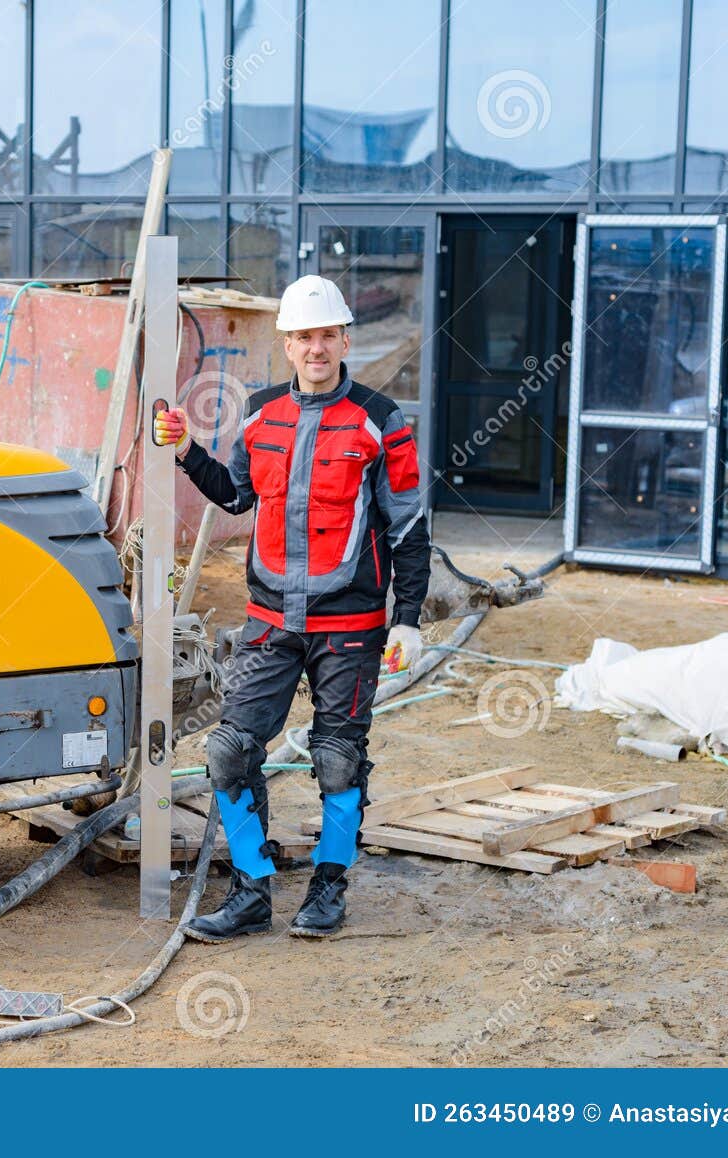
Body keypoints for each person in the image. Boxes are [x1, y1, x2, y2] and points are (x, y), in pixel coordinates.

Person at [153, 273, 430, 940]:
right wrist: (189, 450)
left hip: (351, 627)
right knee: (229, 750)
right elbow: (237, 496)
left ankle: (328, 889)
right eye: (304, 335)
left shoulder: (381, 422)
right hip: (270, 621)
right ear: (286, 343)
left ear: (345, 339)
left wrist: (409, 619)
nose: (316, 346)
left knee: (338, 756)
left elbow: (409, 528)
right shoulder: (259, 412)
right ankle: (252, 891)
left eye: (327, 334)